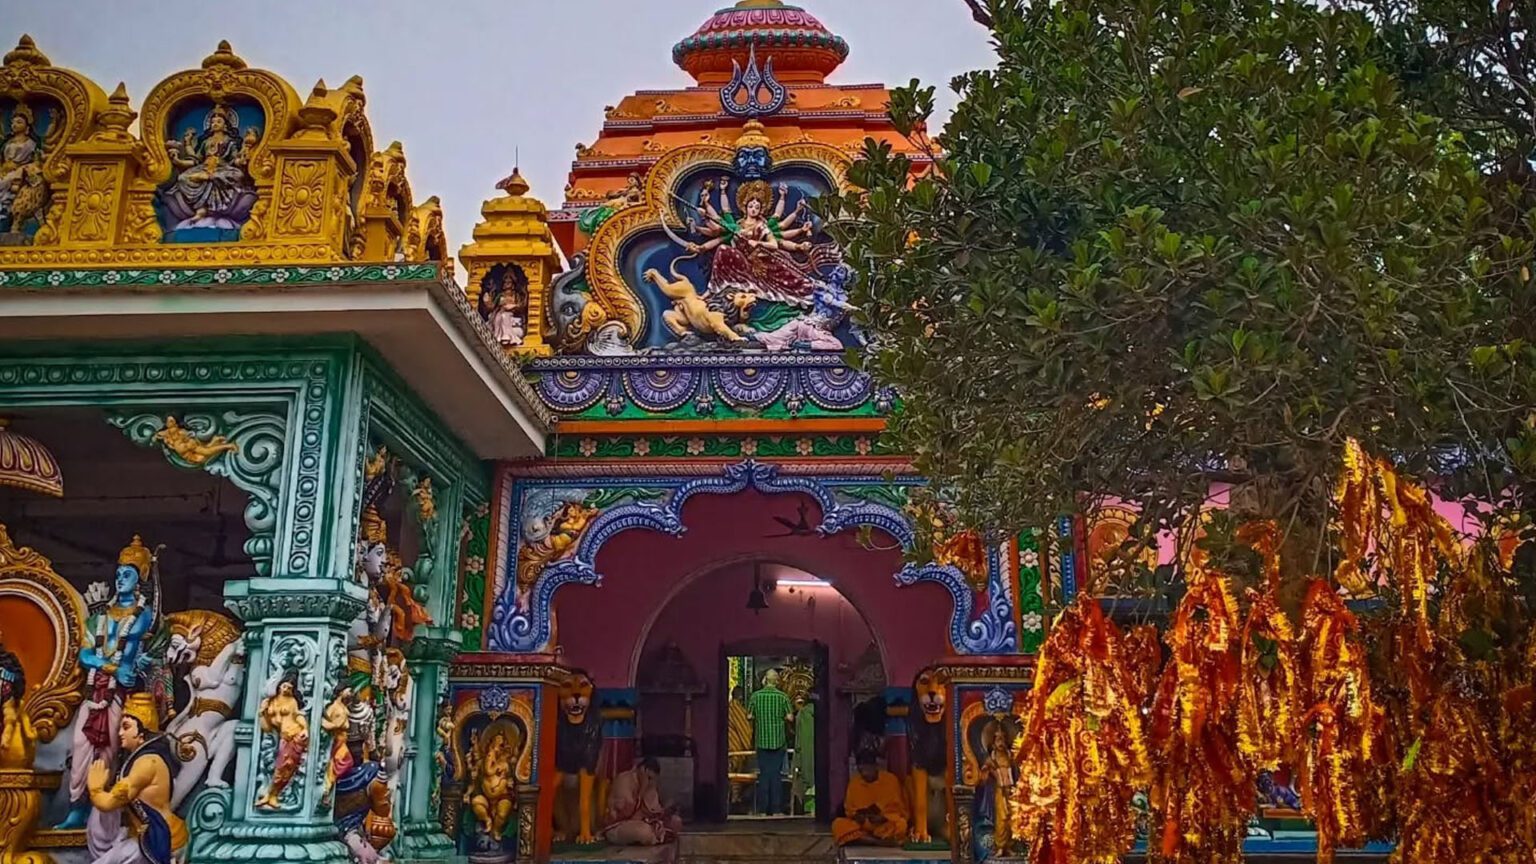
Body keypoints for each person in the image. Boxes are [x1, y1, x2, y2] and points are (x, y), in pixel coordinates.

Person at [86, 692, 186, 864]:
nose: (119, 733)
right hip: (147, 834)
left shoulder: (147, 763)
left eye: (126, 727)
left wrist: (95, 789)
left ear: (141, 734)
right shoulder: (142, 758)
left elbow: (108, 803)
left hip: (160, 838)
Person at [603, 757, 681, 853]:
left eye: (652, 779)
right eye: (649, 778)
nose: (651, 782)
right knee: (644, 832)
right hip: (618, 826)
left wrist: (664, 812)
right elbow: (627, 812)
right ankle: (655, 838)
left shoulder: (650, 783)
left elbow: (653, 809)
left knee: (676, 822)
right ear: (643, 770)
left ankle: (655, 837)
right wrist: (643, 788)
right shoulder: (624, 779)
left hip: (641, 823)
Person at [832, 749, 908, 847]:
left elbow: (899, 809)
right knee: (838, 825)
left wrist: (883, 817)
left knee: (901, 824)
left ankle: (863, 839)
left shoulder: (890, 780)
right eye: (861, 768)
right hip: (862, 826)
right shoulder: (854, 783)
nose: (864, 771)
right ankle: (875, 841)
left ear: (875, 766)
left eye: (868, 767)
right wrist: (857, 816)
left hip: (883, 825)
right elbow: (849, 809)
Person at [746, 669, 792, 815]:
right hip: (778, 741)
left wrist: (760, 718)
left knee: (764, 775)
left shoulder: (755, 696)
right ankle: (776, 808)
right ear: (777, 681)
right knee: (776, 775)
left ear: (765, 680)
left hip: (762, 741)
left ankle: (762, 809)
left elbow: (749, 716)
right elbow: (790, 717)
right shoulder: (783, 697)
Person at [790, 695, 815, 815]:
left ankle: (808, 809)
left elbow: (799, 741)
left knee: (806, 782)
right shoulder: (826, 713)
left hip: (805, 755)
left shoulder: (803, 714)